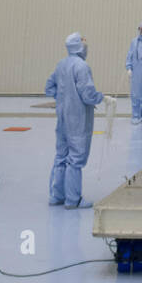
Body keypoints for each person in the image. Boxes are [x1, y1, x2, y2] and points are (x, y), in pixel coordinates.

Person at [45, 32, 104, 210]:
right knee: (76, 158)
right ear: (78, 45)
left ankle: (57, 196)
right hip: (77, 118)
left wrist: (63, 99)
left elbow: (49, 86)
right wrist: (100, 98)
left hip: (62, 116)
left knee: (61, 155)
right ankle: (73, 199)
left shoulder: (61, 64)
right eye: (83, 40)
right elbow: (87, 94)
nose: (86, 44)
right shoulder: (81, 66)